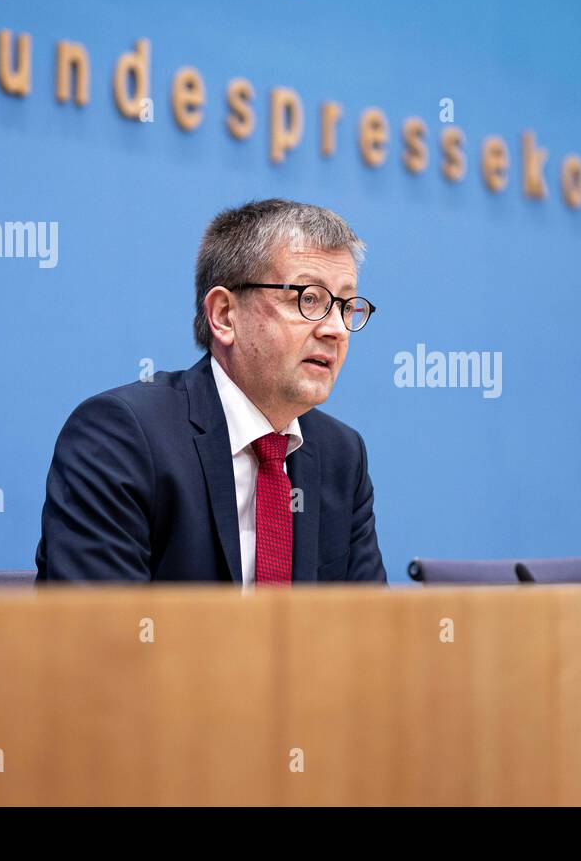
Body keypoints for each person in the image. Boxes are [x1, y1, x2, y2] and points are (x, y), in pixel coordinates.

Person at [36, 199, 387, 585]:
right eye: (309, 299)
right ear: (223, 315)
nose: (335, 329)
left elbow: (370, 637)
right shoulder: (122, 438)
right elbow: (102, 636)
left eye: (345, 306)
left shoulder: (341, 455)